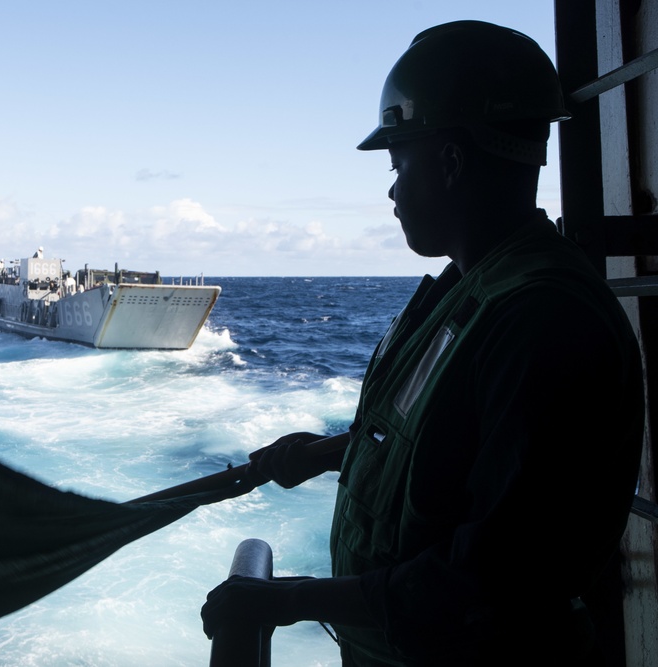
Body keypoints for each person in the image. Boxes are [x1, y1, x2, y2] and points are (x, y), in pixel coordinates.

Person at [201, 20, 644, 666]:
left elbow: (487, 580)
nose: (391, 190)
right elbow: (449, 445)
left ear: (450, 163)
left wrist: (287, 599)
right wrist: (327, 453)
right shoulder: (476, 291)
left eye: (398, 163)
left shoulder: (540, 318)